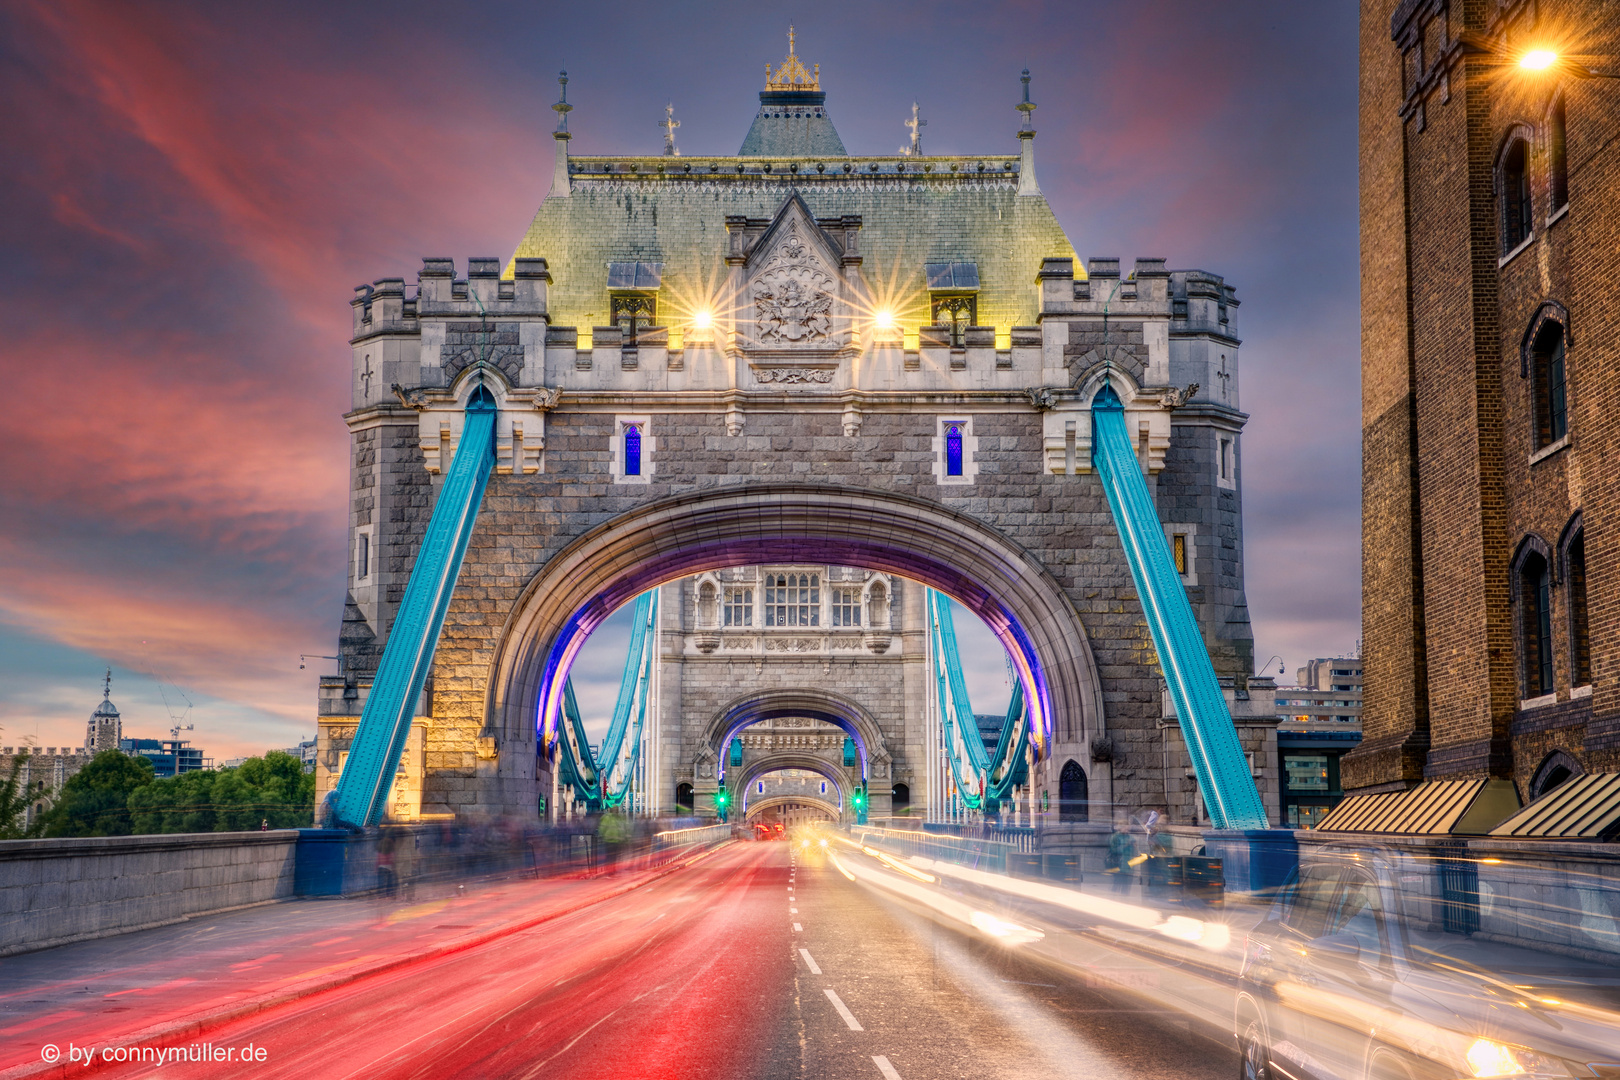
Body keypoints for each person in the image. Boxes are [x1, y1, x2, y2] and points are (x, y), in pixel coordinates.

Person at [1107, 819, 1137, 894]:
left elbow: (1134, 852)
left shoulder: (1131, 837)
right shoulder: (1115, 837)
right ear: (1120, 828)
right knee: (1117, 884)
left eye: (1128, 828)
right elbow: (1114, 850)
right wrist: (1126, 845)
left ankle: (1125, 899)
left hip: (1129, 864)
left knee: (1126, 887)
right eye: (1125, 828)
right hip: (1118, 864)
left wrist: (1135, 847)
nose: (1127, 830)